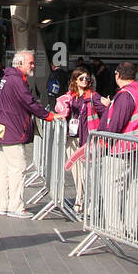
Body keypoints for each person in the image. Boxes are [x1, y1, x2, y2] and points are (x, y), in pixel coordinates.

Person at [0, 50, 56, 219]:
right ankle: (16, 207)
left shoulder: (7, 78)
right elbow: (30, 102)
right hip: (13, 130)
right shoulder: (17, 80)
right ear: (20, 64)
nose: (33, 65)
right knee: (18, 169)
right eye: (31, 63)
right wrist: (48, 115)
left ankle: (4, 205)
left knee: (4, 170)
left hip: (3, 129)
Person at [54, 67, 107, 213]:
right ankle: (79, 199)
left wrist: (107, 105)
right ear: (75, 80)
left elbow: (105, 112)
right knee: (76, 173)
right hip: (72, 137)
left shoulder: (93, 96)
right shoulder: (70, 96)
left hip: (87, 139)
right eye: (81, 78)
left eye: (87, 78)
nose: (85, 81)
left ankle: (91, 203)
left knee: (87, 173)